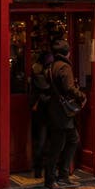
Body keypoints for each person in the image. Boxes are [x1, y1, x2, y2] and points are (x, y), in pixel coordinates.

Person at [44, 40, 85, 189]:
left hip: (55, 110)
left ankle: (63, 175)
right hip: (62, 113)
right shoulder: (65, 66)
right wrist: (81, 95)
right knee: (58, 145)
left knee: (72, 139)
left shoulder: (51, 66)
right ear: (67, 52)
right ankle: (51, 179)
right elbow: (68, 88)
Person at [29, 50, 53, 178]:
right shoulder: (39, 74)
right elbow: (45, 91)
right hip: (42, 113)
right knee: (42, 141)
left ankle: (44, 169)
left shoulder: (40, 72)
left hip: (44, 113)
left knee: (44, 140)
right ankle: (39, 169)